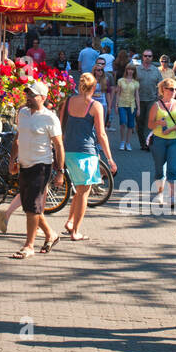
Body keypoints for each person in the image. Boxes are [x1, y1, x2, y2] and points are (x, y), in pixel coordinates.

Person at [6, 81, 64, 258]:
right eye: (28, 94)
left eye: (33, 95)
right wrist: (12, 160)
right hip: (24, 164)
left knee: (32, 207)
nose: (28, 97)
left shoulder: (50, 118)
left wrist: (60, 171)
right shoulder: (23, 113)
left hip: (41, 166)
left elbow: (59, 145)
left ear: (43, 98)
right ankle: (51, 235)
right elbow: (18, 138)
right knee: (30, 206)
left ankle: (28, 246)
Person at [61, 73, 116, 240]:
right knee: (84, 192)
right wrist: (110, 158)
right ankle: (75, 231)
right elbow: (101, 134)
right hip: (86, 152)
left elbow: (60, 125)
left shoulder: (68, 102)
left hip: (68, 150)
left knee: (79, 191)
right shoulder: (95, 105)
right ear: (93, 87)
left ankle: (70, 221)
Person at [148, 77, 176, 207]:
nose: (174, 91)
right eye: (171, 89)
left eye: (175, 89)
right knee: (160, 169)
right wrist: (158, 123)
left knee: (173, 169)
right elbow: (149, 124)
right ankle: (160, 194)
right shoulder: (156, 105)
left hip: (174, 140)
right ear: (163, 90)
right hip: (159, 140)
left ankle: (172, 197)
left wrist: (171, 128)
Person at [134, 50, 162, 151]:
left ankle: (148, 143)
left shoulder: (156, 70)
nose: (147, 58)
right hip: (139, 100)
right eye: (145, 56)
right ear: (142, 57)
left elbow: (161, 84)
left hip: (152, 100)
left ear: (152, 57)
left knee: (149, 122)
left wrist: (160, 96)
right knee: (140, 123)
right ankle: (142, 143)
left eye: (149, 56)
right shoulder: (137, 70)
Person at [115, 63, 139, 151]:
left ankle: (128, 142)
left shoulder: (136, 82)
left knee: (131, 124)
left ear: (134, 71)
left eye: (132, 70)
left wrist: (138, 108)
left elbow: (137, 96)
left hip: (132, 105)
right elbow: (118, 93)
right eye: (129, 69)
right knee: (123, 122)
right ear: (126, 70)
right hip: (122, 104)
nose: (130, 71)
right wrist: (116, 105)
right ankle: (122, 141)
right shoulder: (121, 81)